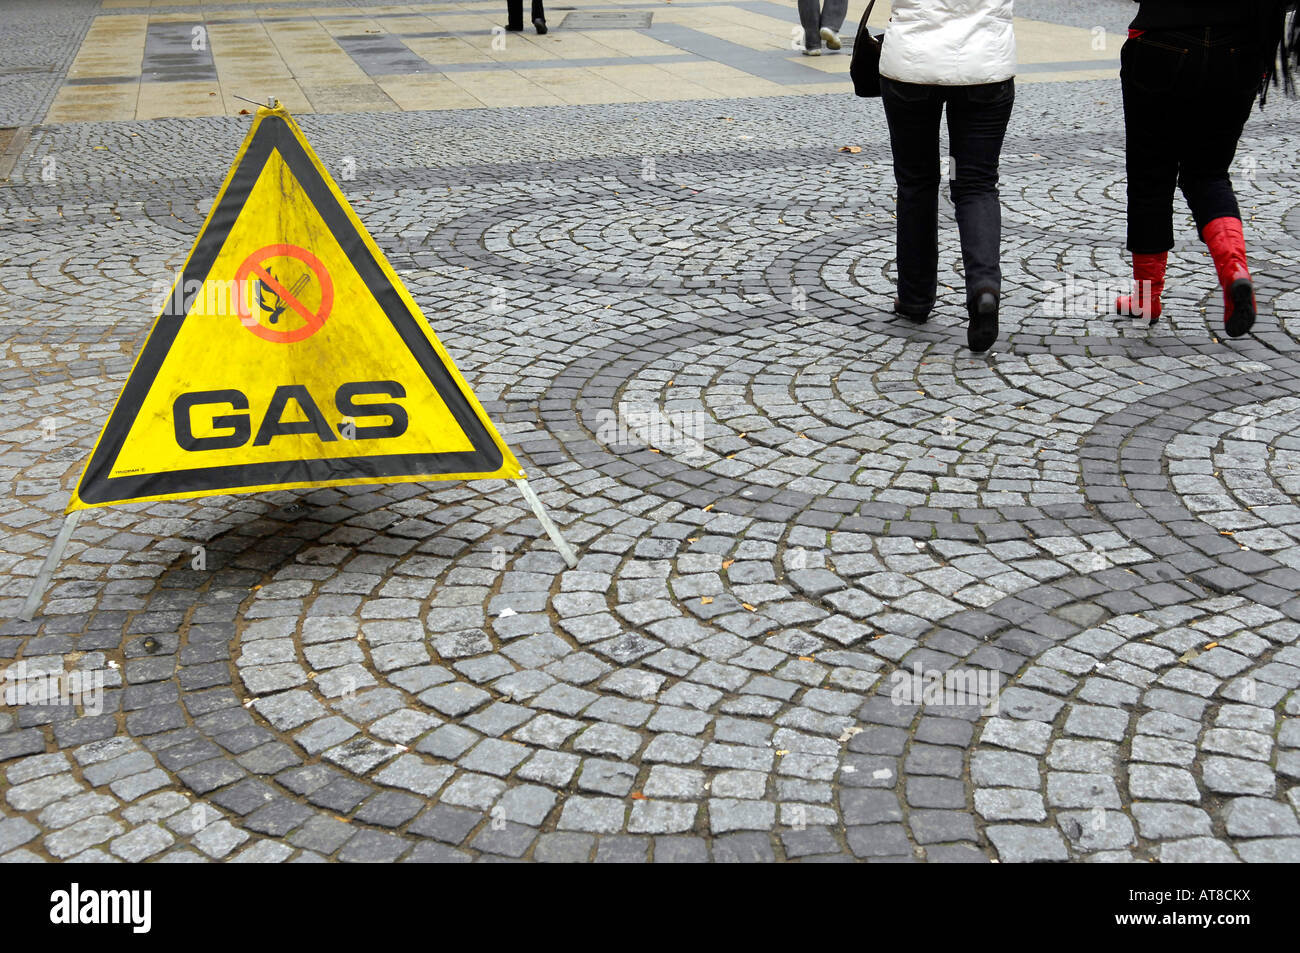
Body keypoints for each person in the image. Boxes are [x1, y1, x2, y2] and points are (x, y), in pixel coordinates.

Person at [1116, 1, 1298, 338]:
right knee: (1209, 172)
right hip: (1238, 49)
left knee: (1150, 175)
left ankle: (1147, 299)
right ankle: (1234, 270)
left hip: (1160, 41)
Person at [878, 0, 1017, 353]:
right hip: (986, 62)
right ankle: (984, 287)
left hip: (912, 61)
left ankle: (915, 297)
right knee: (977, 184)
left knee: (916, 182)